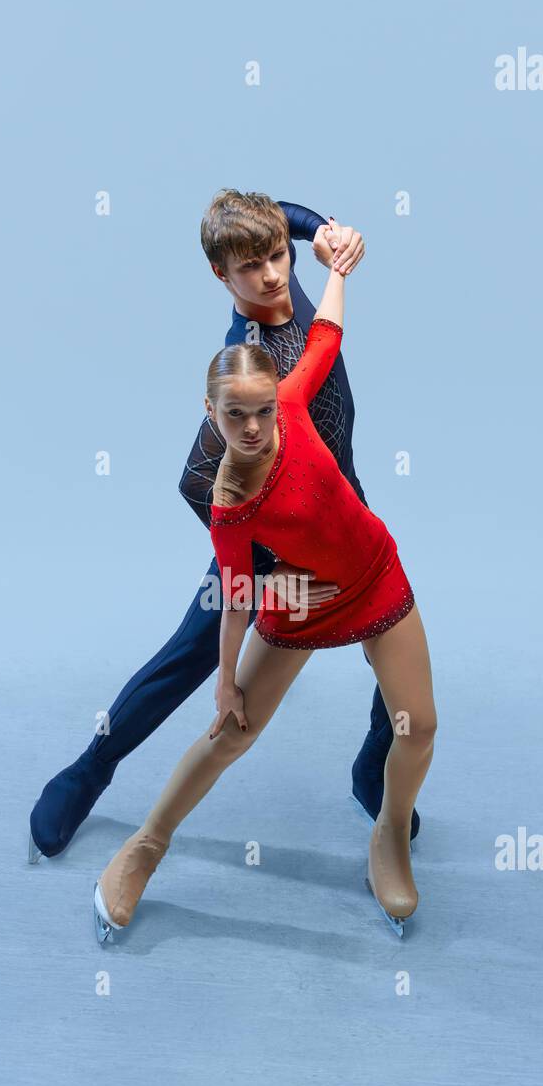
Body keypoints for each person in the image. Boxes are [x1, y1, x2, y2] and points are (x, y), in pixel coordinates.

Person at [29, 191, 420, 863]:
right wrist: (269, 563)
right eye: (251, 267)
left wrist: (325, 230)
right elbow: (196, 484)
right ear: (222, 276)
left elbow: (270, 208)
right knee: (190, 654)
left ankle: (369, 770)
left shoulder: (282, 271)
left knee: (388, 632)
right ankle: (92, 766)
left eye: (277, 257)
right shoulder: (250, 360)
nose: (270, 275)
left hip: (338, 503)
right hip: (266, 535)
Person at [93, 235, 437, 943]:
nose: (252, 428)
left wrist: (336, 269)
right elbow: (239, 595)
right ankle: (145, 847)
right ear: (209, 412)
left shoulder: (294, 395)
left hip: (373, 576)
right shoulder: (227, 503)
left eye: (262, 412)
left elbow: (327, 331)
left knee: (419, 726)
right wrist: (225, 683)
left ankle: (389, 833)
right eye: (233, 417)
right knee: (230, 733)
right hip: (304, 602)